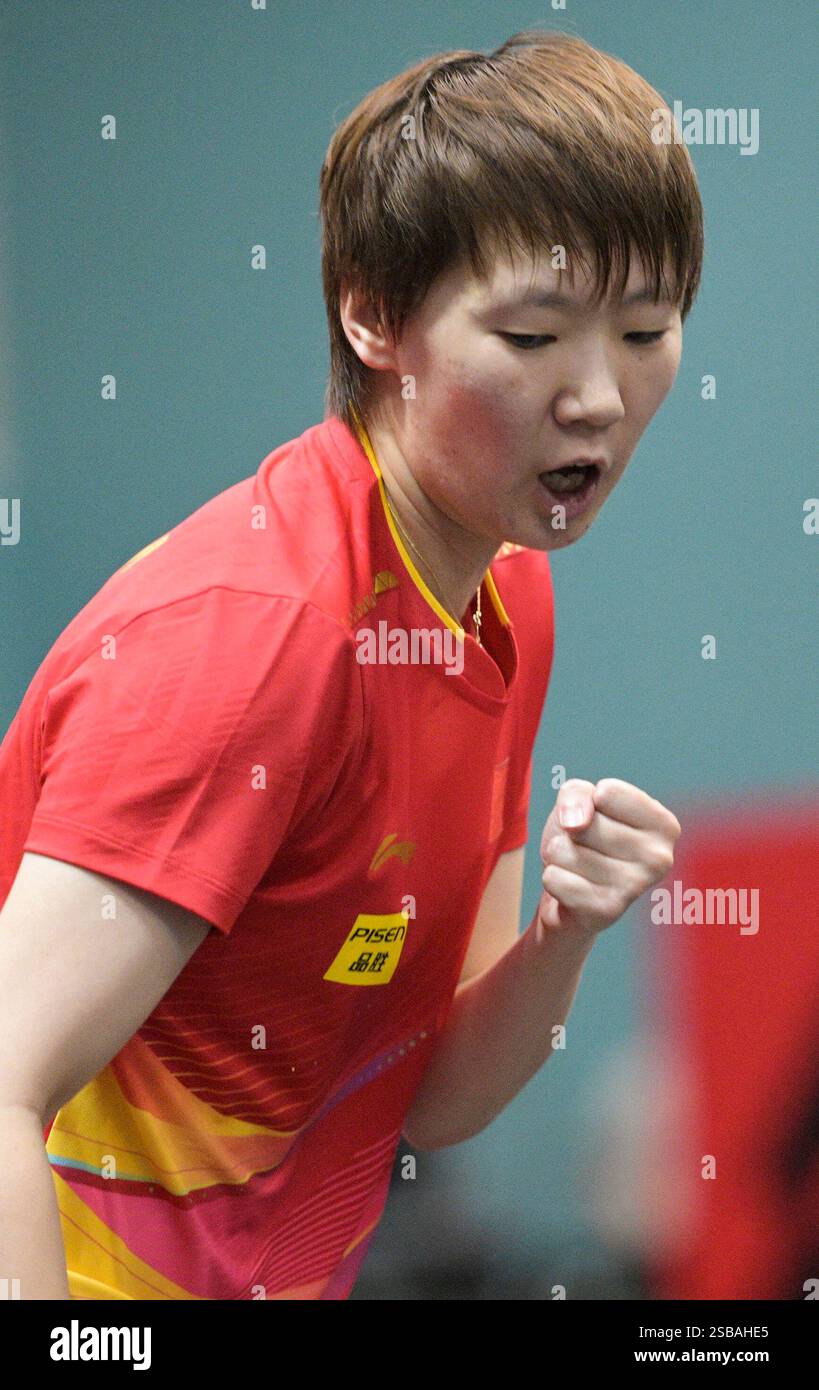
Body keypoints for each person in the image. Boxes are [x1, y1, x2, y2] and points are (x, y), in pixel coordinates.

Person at [0, 29, 699, 1300]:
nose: (599, 394)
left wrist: (561, 934)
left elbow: (432, 1099)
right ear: (374, 315)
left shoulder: (505, 592)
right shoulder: (253, 638)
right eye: (536, 338)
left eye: (646, 329)